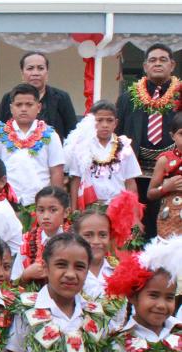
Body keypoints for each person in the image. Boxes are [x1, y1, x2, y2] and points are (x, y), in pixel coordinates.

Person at [117, 43, 180, 238]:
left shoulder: (181, 96)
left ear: (172, 65)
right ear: (145, 66)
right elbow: (118, 136)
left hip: (174, 174)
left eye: (163, 60)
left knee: (170, 228)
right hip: (136, 175)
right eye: (152, 60)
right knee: (138, 231)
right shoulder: (127, 98)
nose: (158, 64)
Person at [0, 83, 65, 207]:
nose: (23, 109)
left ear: (38, 107)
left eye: (29, 104)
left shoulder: (50, 135)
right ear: (11, 108)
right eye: (19, 105)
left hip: (40, 204)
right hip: (5, 203)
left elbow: (56, 172)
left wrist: (54, 204)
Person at [67, 101, 140, 210]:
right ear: (91, 122)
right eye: (99, 120)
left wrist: (134, 214)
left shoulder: (124, 146)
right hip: (90, 207)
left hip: (118, 207)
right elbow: (76, 180)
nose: (105, 125)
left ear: (115, 123)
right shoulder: (81, 146)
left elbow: (130, 182)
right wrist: (74, 210)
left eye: (109, 120)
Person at [0, 52, 78, 140]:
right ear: (22, 73)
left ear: (47, 73)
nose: (35, 73)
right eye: (30, 68)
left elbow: (73, 133)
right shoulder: (8, 98)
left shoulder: (61, 97)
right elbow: (0, 132)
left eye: (40, 68)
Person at [15, 186, 71, 284]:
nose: (45, 216)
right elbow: (14, 281)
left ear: (66, 212)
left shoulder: (74, 241)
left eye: (53, 210)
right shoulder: (27, 240)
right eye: (41, 210)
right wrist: (26, 274)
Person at [146, 111, 182, 238]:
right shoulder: (164, 160)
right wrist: (166, 188)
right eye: (181, 134)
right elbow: (150, 194)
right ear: (172, 136)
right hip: (169, 218)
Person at [72, 207, 116, 299]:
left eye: (102, 235)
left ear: (109, 237)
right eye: (88, 235)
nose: (96, 241)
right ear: (76, 237)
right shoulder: (69, 272)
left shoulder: (119, 271)